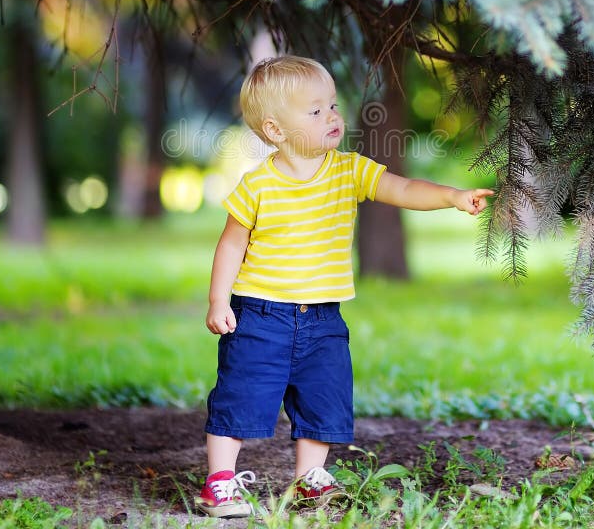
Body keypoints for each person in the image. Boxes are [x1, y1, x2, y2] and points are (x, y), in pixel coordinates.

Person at [196, 55, 493, 517]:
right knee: (241, 395)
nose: (333, 116)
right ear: (275, 130)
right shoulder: (258, 185)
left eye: (332, 106)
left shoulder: (349, 170)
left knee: (324, 395)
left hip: (322, 317)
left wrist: (452, 197)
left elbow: (403, 189)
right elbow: (231, 244)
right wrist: (219, 299)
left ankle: (309, 478)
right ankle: (220, 480)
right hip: (259, 313)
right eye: (315, 111)